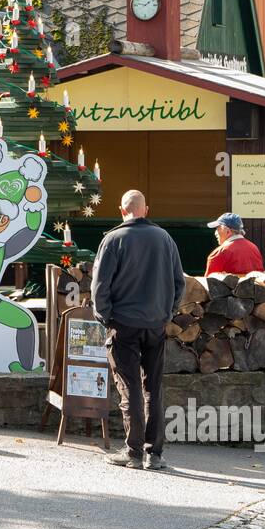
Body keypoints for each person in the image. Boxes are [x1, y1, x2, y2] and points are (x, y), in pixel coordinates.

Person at [92, 190, 185, 471]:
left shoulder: (113, 239)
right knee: (152, 387)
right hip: (155, 323)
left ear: (122, 210)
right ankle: (154, 453)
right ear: (146, 209)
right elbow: (178, 283)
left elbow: (100, 287)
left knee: (130, 387)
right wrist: (167, 313)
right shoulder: (165, 239)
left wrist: (105, 317)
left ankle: (133, 451)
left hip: (124, 323)